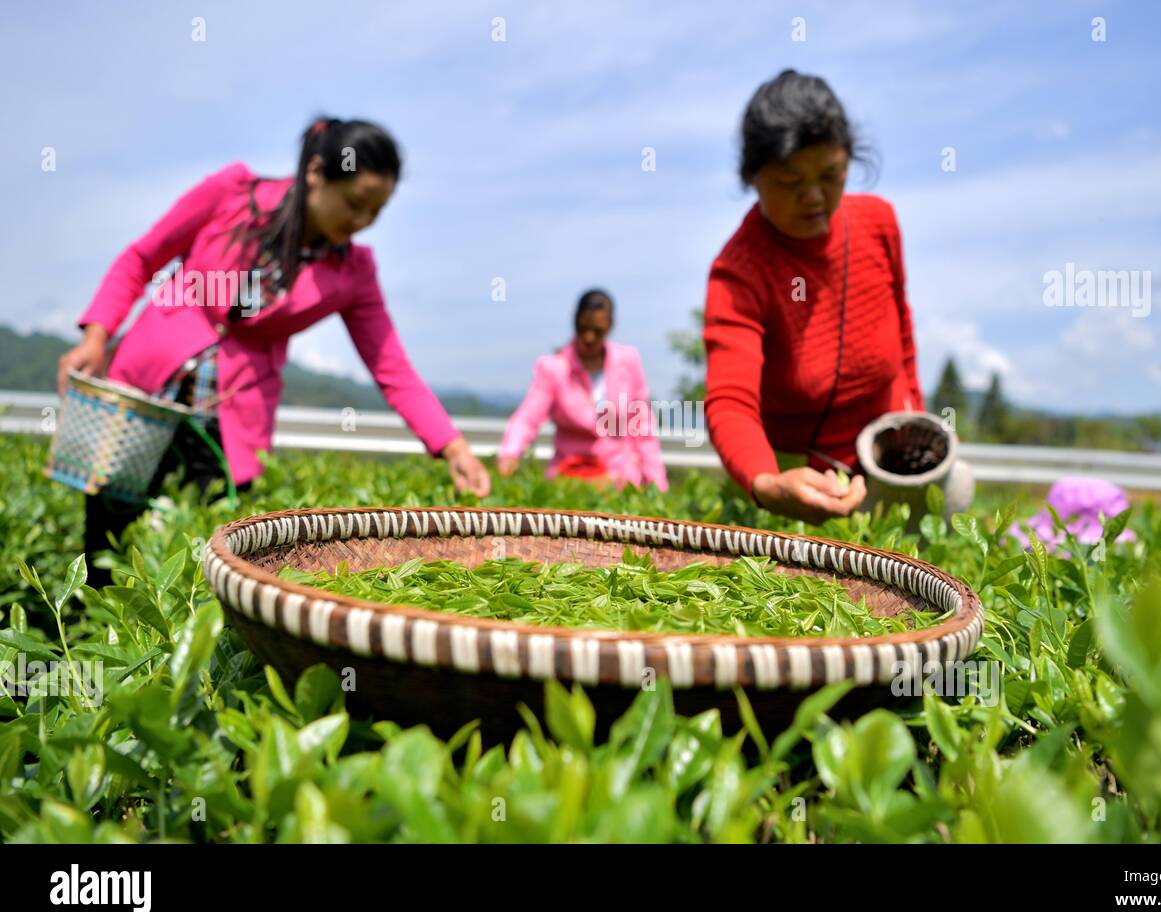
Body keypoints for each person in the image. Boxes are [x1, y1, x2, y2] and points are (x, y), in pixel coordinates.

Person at [57, 117, 491, 586]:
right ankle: (89, 644)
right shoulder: (232, 194)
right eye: (355, 204)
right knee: (106, 541)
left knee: (206, 561)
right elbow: (142, 257)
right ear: (316, 173)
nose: (361, 222)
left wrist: (453, 447)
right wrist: (96, 336)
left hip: (229, 421)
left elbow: (391, 367)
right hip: (143, 392)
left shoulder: (352, 272)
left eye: (376, 212)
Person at [703, 69, 929, 524]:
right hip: (799, 483)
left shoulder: (879, 224)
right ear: (752, 177)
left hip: (886, 465)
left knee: (956, 492)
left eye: (831, 175)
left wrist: (915, 432)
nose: (814, 197)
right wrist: (766, 484)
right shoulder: (739, 271)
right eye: (789, 182)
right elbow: (730, 399)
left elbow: (902, 341)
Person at [497, 289, 668, 492]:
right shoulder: (554, 368)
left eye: (597, 331)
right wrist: (510, 453)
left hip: (619, 480)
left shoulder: (628, 362)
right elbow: (527, 418)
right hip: (568, 481)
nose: (588, 337)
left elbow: (642, 427)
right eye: (583, 328)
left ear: (610, 326)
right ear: (575, 321)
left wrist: (656, 482)